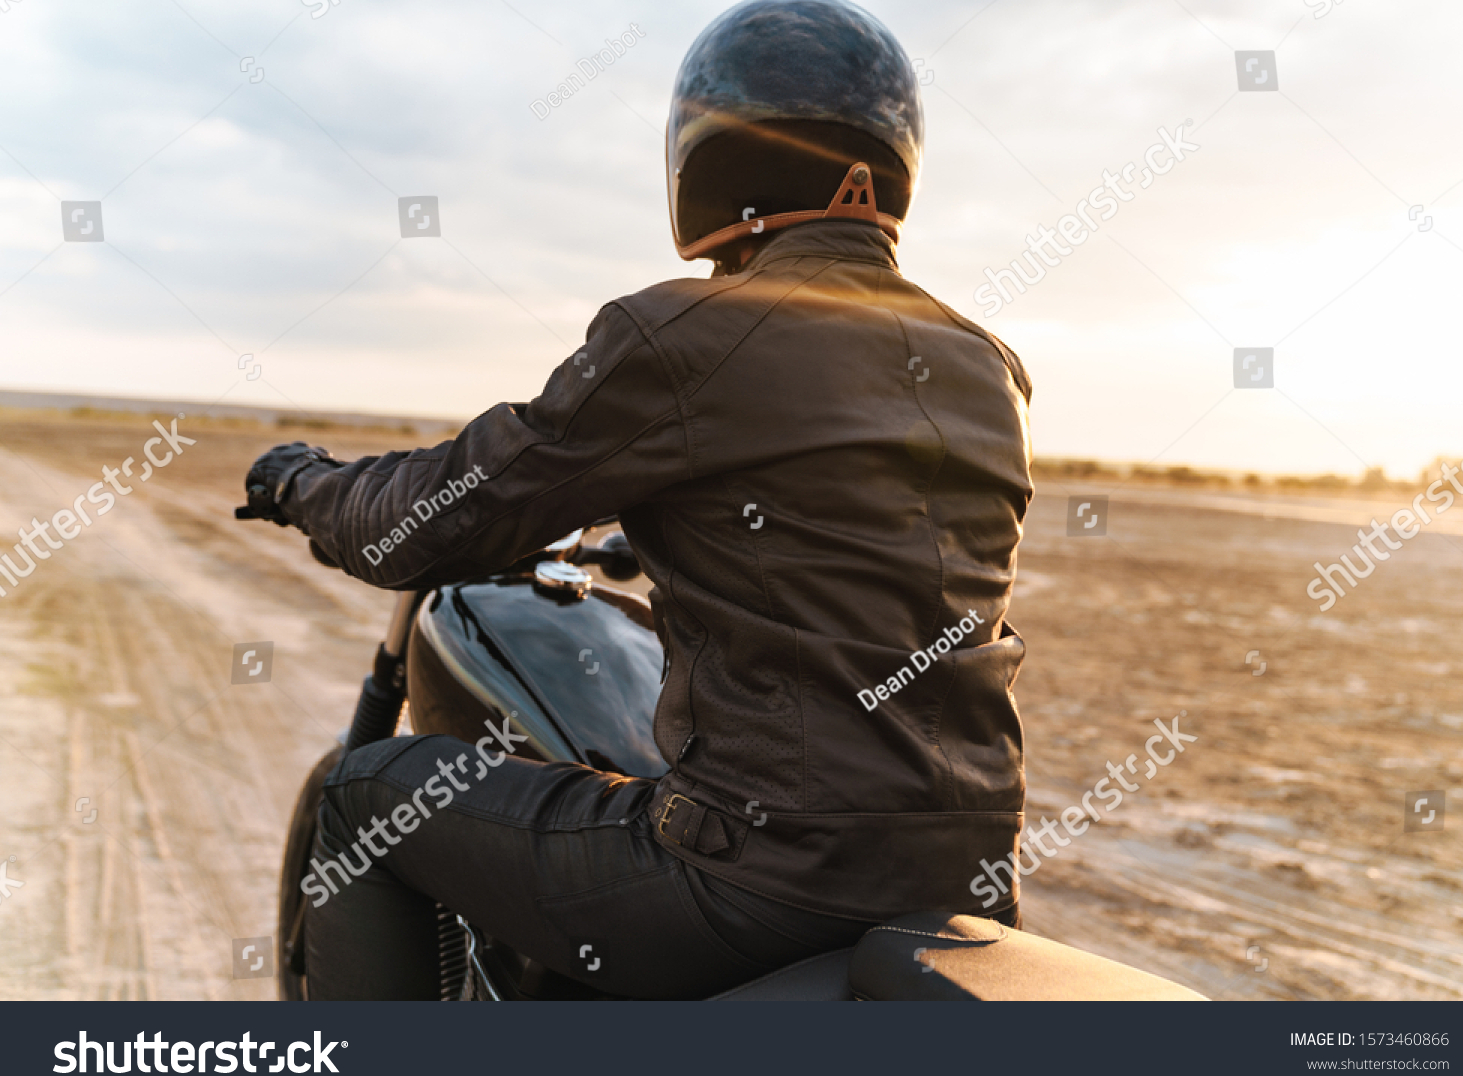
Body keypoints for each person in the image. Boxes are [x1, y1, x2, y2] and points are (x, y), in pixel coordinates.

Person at [241, 0, 1034, 1000]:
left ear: (711, 158)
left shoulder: (686, 336)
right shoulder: (988, 368)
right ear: (887, 164)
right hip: (969, 884)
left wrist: (303, 484)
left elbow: (442, 509)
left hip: (758, 881)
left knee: (361, 801)